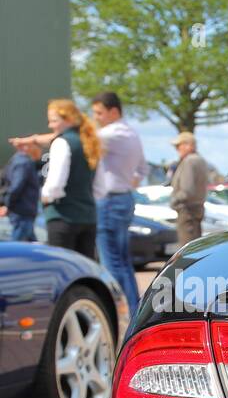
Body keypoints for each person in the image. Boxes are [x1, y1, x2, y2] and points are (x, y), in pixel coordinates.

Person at [11, 100, 101, 256]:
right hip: (88, 217)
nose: (50, 125)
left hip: (63, 217)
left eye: (54, 121)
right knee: (84, 270)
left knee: (63, 269)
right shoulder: (88, 142)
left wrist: (45, 198)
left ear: (68, 120)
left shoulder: (62, 142)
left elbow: (55, 185)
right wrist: (31, 140)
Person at [90, 91, 148, 311]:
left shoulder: (110, 134)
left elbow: (82, 137)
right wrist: (125, 181)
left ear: (113, 111)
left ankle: (119, 311)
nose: (96, 118)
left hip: (110, 201)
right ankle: (134, 309)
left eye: (99, 113)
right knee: (123, 261)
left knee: (112, 262)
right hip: (124, 197)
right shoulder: (132, 134)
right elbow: (143, 168)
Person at [170, 131, 208, 247]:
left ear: (189, 145)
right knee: (195, 249)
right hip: (196, 210)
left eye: (178, 146)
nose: (177, 149)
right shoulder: (200, 160)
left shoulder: (189, 161)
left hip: (187, 212)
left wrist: (174, 201)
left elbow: (187, 190)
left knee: (187, 250)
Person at [0, 141, 42, 241]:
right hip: (22, 212)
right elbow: (16, 186)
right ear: (26, 147)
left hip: (23, 211)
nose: (39, 151)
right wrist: (8, 205)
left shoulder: (21, 161)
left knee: (32, 245)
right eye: (37, 147)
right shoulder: (23, 163)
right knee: (17, 248)